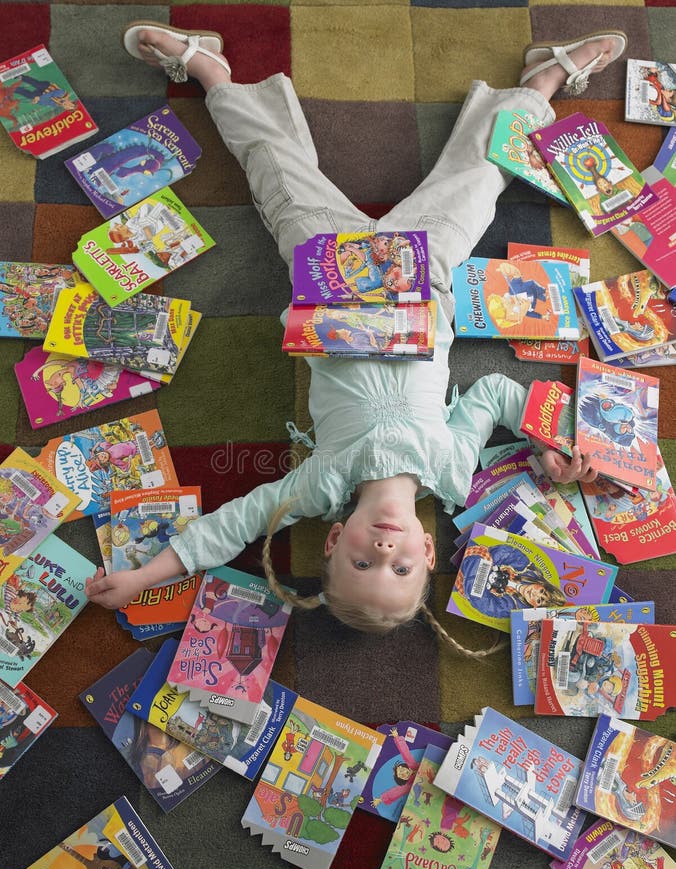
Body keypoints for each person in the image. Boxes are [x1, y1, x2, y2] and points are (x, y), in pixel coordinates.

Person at [85, 22, 625, 654]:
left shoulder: (318, 487)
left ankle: (213, 72)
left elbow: (230, 528)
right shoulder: (452, 473)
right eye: (401, 568)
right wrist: (547, 444)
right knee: (482, 183)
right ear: (428, 550)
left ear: (336, 540)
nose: (384, 551)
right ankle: (544, 81)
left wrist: (144, 577)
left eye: (362, 564)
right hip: (427, 270)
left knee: (275, 174)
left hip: (329, 273)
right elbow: (498, 393)